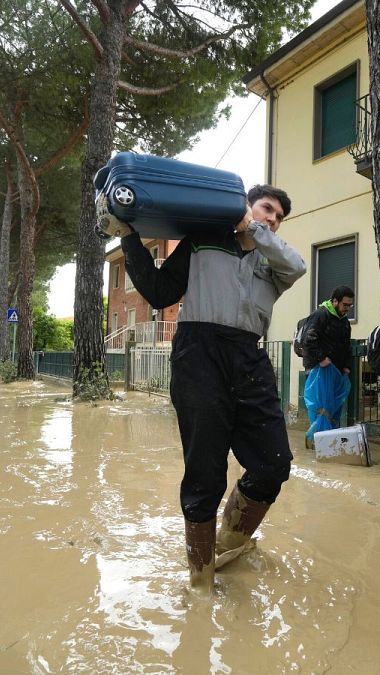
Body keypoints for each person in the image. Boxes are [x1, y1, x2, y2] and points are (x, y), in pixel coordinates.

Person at [99, 184, 306, 593]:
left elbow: (298, 266)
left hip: (248, 357)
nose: (272, 219)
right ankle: (200, 579)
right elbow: (160, 292)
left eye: (279, 217)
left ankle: (227, 545)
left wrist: (257, 231)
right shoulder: (203, 242)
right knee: (205, 470)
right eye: (266, 209)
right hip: (198, 353)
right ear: (247, 204)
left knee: (274, 463)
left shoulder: (274, 262)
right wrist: (129, 238)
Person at [302, 286, 354, 375]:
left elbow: (346, 345)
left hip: (335, 369)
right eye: (345, 305)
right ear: (335, 301)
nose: (347, 308)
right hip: (318, 368)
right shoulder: (320, 315)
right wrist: (321, 358)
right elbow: (308, 340)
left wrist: (347, 365)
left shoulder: (344, 321)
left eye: (350, 305)